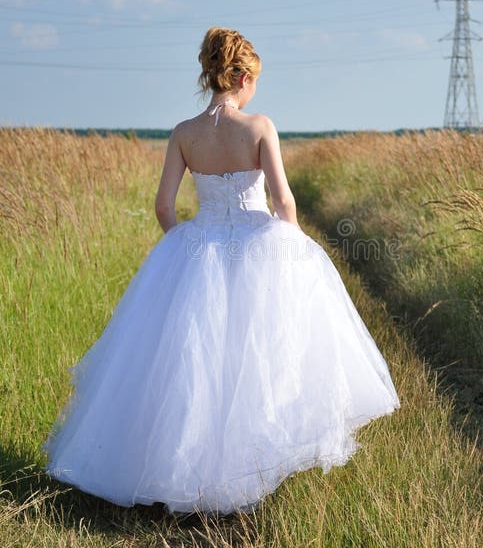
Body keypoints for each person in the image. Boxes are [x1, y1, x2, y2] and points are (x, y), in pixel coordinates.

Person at [43, 27, 400, 516]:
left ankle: (176, 473)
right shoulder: (259, 127)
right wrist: (290, 248)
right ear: (244, 77)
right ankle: (248, 472)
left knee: (190, 366)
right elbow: (283, 200)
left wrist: (183, 247)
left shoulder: (184, 134)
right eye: (256, 81)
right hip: (258, 244)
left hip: (198, 249)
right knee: (257, 360)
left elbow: (163, 206)